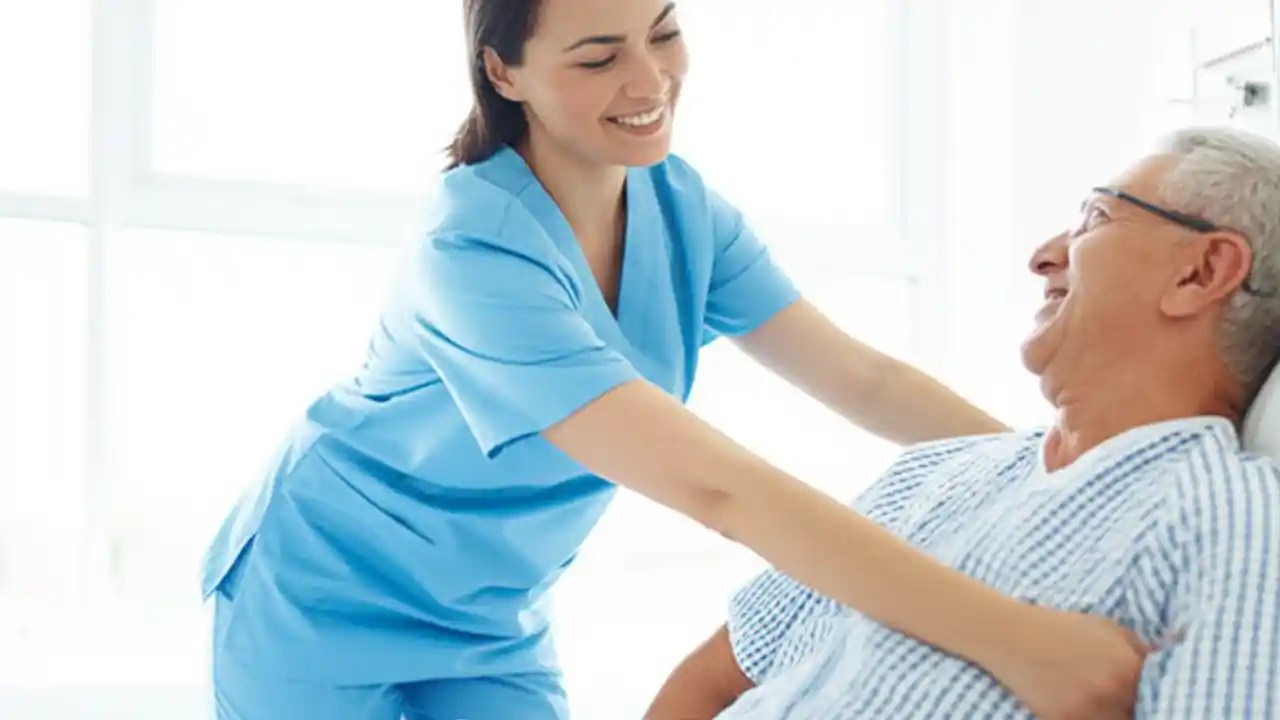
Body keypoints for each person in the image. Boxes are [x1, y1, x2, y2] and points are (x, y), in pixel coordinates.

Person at [201, 1, 1146, 718]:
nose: (649, 79)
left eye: (663, 31)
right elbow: (718, 489)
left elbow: (864, 381)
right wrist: (1019, 640)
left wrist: (1080, 474)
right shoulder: (471, 255)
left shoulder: (680, 208)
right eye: (599, 55)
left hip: (489, 619)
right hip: (319, 592)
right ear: (504, 71)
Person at [647, 125, 1280, 719]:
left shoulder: (1229, 523)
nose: (1043, 257)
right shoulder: (940, 468)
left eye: (1095, 219)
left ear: (1202, 272)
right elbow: (715, 677)